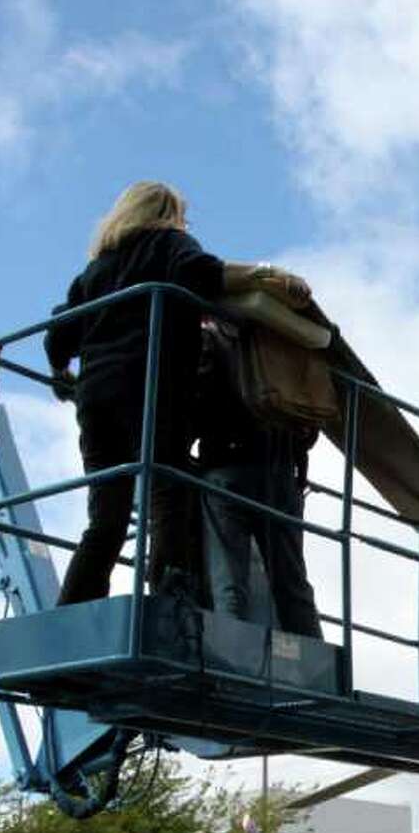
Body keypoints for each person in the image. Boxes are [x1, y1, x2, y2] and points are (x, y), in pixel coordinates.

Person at [44, 181, 311, 605]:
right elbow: (206, 274)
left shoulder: (93, 272)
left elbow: (58, 339)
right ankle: (171, 603)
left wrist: (64, 375)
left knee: (106, 519)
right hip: (151, 392)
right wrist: (270, 275)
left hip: (95, 404)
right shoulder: (168, 243)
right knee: (168, 496)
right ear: (166, 212)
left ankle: (71, 608)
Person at [195, 318, 323, 638]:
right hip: (281, 475)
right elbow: (309, 424)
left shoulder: (209, 340)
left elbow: (196, 402)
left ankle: (232, 663)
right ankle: (316, 669)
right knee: (293, 585)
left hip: (228, 470)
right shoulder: (278, 350)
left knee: (229, 583)